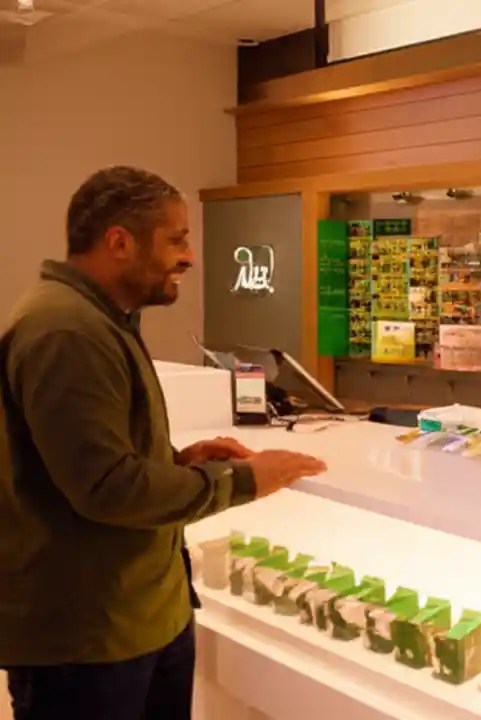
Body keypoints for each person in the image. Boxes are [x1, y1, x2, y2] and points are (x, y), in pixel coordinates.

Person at [0, 166, 328, 720]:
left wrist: (177, 462)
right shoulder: (68, 331)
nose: (190, 257)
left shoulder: (98, 321)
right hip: (89, 642)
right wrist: (247, 479)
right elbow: (108, 489)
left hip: (138, 622)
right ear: (119, 242)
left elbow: (87, 461)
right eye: (176, 238)